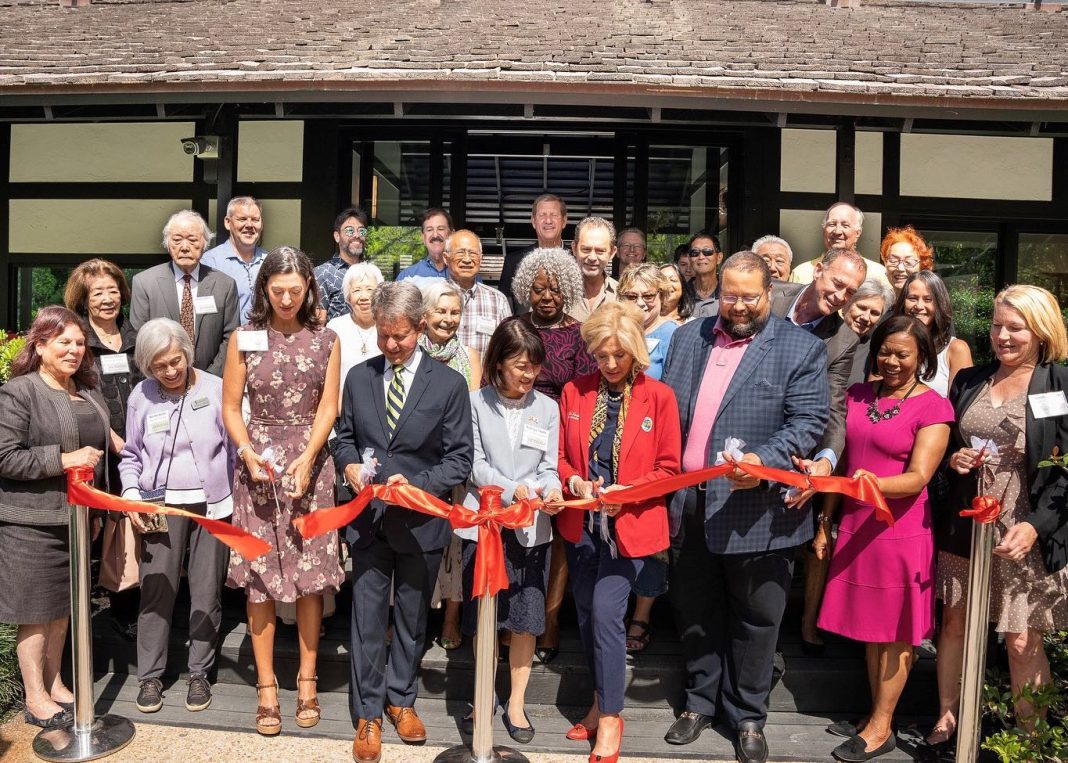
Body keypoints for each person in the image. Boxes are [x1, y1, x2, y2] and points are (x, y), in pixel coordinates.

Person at [661, 252, 829, 762]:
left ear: (770, 292)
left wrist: (764, 460)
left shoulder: (800, 347)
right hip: (690, 503)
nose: (737, 305)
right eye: (729, 295)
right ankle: (698, 703)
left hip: (757, 510)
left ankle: (748, 716)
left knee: (757, 621)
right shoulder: (689, 337)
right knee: (695, 611)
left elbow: (808, 422)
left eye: (749, 297)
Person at [333, 281, 473, 763]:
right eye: (383, 335)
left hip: (420, 522)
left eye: (401, 335)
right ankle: (369, 712)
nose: (391, 344)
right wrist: (350, 465)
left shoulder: (449, 384)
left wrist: (416, 486)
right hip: (369, 521)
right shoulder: (359, 377)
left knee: (413, 620)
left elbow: (459, 459)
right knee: (368, 619)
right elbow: (344, 438)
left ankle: (401, 699)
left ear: (421, 327)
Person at [930, 285, 1068, 748]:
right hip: (967, 522)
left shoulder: (1061, 384)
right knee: (955, 623)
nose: (1002, 336)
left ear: (1041, 331)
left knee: (1021, 640)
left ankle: (1028, 744)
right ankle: (947, 717)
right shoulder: (970, 380)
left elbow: (1066, 472)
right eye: (996, 325)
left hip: (1025, 530)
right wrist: (955, 458)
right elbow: (947, 441)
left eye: (1015, 327)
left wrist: (1036, 525)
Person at [815, 316, 953, 762]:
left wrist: (870, 484)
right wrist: (825, 522)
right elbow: (840, 464)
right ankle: (875, 714)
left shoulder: (934, 407)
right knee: (872, 628)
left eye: (903, 354)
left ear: (923, 357)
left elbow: (917, 478)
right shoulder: (857, 395)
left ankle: (880, 726)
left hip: (901, 532)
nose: (892, 361)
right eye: (885, 352)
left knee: (896, 633)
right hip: (857, 525)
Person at [222, 246, 344, 735]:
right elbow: (231, 406)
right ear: (264, 290)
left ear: (308, 287)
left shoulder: (327, 339)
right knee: (260, 577)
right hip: (259, 465)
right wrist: (247, 451)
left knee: (311, 576)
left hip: (311, 464)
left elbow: (329, 407)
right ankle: (267, 686)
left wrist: (310, 456)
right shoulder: (244, 337)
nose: (287, 299)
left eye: (295, 290)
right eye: (278, 291)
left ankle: (308, 679)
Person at [558, 300, 682, 763]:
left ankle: (611, 717)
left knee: (608, 613)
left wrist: (628, 493)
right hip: (583, 524)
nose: (610, 364)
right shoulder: (575, 391)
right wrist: (573, 480)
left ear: (636, 351)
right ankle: (599, 700)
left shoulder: (659, 396)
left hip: (630, 526)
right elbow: (561, 458)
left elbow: (669, 469)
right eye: (601, 355)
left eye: (619, 355)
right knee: (586, 615)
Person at [0, 306, 116, 728]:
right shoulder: (19, 392)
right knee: (36, 612)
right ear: (40, 345)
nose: (74, 350)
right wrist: (63, 459)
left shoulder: (86, 390)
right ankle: (35, 699)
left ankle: (55, 683)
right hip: (30, 523)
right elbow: (5, 456)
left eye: (80, 343)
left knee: (63, 607)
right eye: (63, 342)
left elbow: (99, 451)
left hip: (76, 520)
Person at [120, 318, 233, 715]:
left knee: (206, 591)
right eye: (158, 366)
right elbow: (131, 455)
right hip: (159, 506)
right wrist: (131, 494)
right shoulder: (141, 396)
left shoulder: (216, 389)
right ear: (146, 366)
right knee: (156, 589)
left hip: (212, 506)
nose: (169, 371)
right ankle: (150, 676)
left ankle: (199, 672)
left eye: (175, 362)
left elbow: (234, 449)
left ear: (187, 354)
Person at [457, 318, 562, 744]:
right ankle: (483, 695)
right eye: (520, 365)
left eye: (534, 366)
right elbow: (474, 464)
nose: (529, 374)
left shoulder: (547, 408)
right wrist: (507, 489)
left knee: (526, 617)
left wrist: (551, 490)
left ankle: (516, 701)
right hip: (486, 526)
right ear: (498, 362)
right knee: (486, 617)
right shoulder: (474, 403)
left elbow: (550, 467)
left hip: (531, 528)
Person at [770, 248, 866, 654]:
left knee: (771, 574)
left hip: (788, 456)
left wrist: (827, 459)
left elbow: (834, 406)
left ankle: (765, 653)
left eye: (851, 292)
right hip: (733, 443)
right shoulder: (768, 295)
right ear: (818, 270)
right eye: (837, 283)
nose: (841, 296)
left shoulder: (843, 337)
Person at [510, 247, 598, 662]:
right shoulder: (513, 327)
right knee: (518, 520)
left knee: (559, 528)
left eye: (556, 289)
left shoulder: (580, 334)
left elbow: (584, 392)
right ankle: (513, 617)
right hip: (514, 430)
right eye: (538, 288)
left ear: (569, 290)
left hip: (562, 432)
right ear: (525, 289)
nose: (546, 296)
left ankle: (549, 619)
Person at [63, 258, 143, 638]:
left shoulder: (136, 336)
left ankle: (135, 608)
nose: (108, 299)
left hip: (141, 448)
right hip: (99, 450)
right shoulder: (78, 342)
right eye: (98, 293)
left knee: (137, 526)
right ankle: (105, 610)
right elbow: (73, 392)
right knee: (104, 530)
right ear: (84, 299)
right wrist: (109, 435)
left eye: (113, 291)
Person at [615, 265, 678, 654]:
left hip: (654, 443)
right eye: (632, 296)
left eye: (648, 296)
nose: (641, 303)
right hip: (615, 441)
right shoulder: (615, 328)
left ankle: (641, 615)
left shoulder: (675, 334)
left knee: (651, 531)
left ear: (662, 297)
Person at [418, 278, 482, 653]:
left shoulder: (470, 356)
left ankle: (452, 617)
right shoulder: (411, 352)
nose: (447, 318)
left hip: (456, 461)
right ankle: (410, 614)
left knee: (455, 542)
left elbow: (473, 414)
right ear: (424, 315)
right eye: (440, 311)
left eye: (455, 312)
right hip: (418, 461)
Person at [129, 209, 240, 376]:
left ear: (205, 243)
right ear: (167, 243)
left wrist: (208, 378)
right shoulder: (145, 283)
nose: (185, 247)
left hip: (211, 379)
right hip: (162, 378)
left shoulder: (225, 285)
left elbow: (231, 337)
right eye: (177, 240)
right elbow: (139, 336)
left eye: (192, 240)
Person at [890, 271, 972, 397]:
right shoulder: (888, 344)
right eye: (912, 298)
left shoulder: (956, 349)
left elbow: (961, 402)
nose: (919, 306)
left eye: (928, 299)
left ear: (940, 304)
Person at [445, 229, 512, 358]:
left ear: (481, 259)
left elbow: (508, 346)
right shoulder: (432, 296)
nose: (467, 259)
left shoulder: (498, 300)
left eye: (473, 253)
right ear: (446, 258)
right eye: (460, 252)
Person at [201, 196, 269, 323]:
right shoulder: (210, 262)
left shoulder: (270, 261)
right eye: (242, 219)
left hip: (265, 335)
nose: (249, 225)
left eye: (255, 219)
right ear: (228, 222)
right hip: (227, 335)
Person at [789, 202, 889, 287]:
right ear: (823, 230)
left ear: (858, 233)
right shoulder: (801, 273)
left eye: (845, 225)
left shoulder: (878, 274)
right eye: (832, 224)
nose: (837, 231)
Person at [497, 194, 568, 312]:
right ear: (533, 221)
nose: (548, 221)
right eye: (542, 215)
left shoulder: (577, 261)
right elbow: (504, 307)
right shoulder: (514, 261)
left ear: (564, 221)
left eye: (554, 215)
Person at [326, 261, 386, 396]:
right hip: (343, 403)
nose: (364, 297)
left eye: (370, 290)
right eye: (357, 290)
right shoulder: (335, 327)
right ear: (348, 297)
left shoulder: (387, 327)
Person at [316, 206, 371, 321]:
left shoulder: (371, 272)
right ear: (337, 236)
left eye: (361, 231)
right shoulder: (322, 274)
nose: (356, 235)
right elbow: (318, 323)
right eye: (349, 231)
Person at [842, 279, 896, 385]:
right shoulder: (824, 335)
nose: (866, 317)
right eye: (862, 308)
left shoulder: (874, 351)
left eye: (874, 313)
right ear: (847, 304)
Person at [570, 216, 619, 323]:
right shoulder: (558, 293)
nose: (592, 257)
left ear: (612, 253)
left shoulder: (622, 295)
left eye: (600, 251)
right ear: (574, 248)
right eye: (586, 249)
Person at [396, 207, 453, 281]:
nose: (435, 235)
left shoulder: (465, 274)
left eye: (440, 229)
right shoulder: (407, 277)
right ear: (423, 238)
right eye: (429, 230)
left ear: (451, 234)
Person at [879, 225, 934, 297]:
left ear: (922, 266)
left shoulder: (930, 302)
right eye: (893, 260)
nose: (900, 268)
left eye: (908, 262)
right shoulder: (878, 301)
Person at [684, 231, 723, 319]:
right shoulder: (682, 293)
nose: (701, 257)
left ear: (719, 257)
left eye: (707, 251)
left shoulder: (728, 293)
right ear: (689, 258)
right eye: (695, 252)